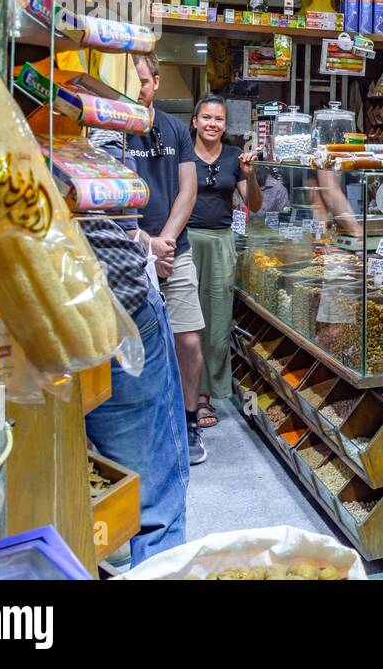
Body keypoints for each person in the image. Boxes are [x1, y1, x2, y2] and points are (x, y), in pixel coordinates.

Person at [81, 218, 189, 566]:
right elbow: (122, 219)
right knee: (154, 501)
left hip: (12, 332)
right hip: (110, 307)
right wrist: (144, 242)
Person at [127, 54, 208, 465]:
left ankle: (189, 420)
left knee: (189, 340)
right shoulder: (110, 131)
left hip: (175, 252)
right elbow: (106, 201)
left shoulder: (176, 129)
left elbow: (187, 191)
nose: (135, 88)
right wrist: (146, 244)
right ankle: (147, 427)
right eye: (129, 80)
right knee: (136, 342)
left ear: (156, 83)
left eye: (141, 81)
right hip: (126, 252)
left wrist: (165, 243)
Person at [187, 93, 262, 429]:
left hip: (221, 243)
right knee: (186, 320)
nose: (212, 124)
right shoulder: (183, 153)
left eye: (218, 119)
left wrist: (251, 174)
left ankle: (204, 396)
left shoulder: (235, 157)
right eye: (206, 118)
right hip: (185, 240)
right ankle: (184, 392)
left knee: (217, 323)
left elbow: (255, 205)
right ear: (195, 121)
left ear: (224, 125)